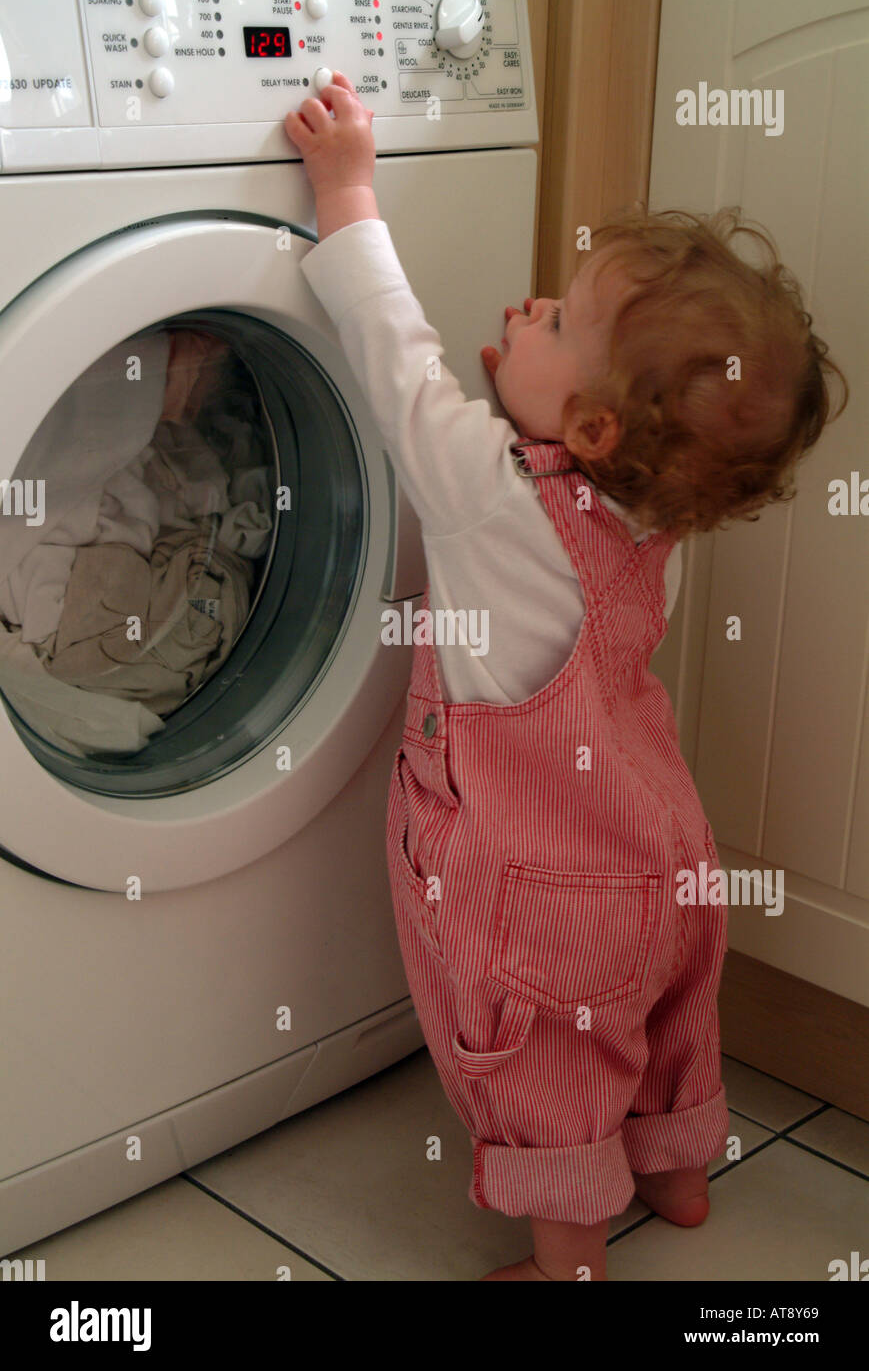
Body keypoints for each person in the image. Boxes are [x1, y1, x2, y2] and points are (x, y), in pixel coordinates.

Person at [284, 74, 847, 1282]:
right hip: (665, 854)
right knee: (665, 1023)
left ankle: (566, 1261)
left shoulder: (495, 500)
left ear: (591, 428)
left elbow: (396, 362)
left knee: (553, 1068)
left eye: (550, 323)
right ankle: (682, 1175)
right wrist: (541, 375)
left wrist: (346, 193)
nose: (526, 307)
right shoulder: (657, 513)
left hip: (548, 891)